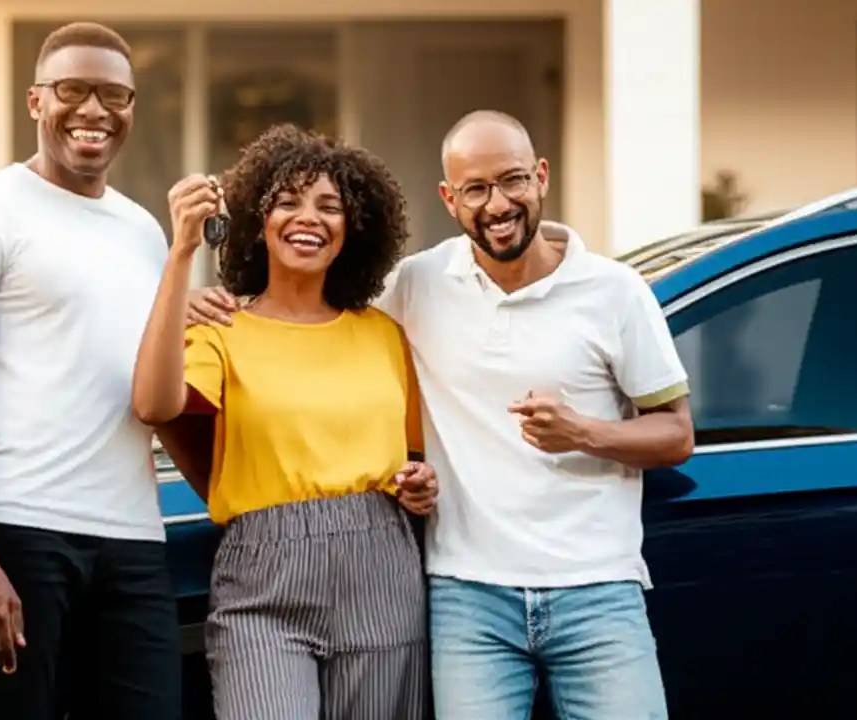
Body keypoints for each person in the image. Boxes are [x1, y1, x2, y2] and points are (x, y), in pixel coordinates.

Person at [187, 110, 694, 719]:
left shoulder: (615, 292)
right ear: (450, 198)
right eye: (476, 189)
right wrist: (198, 302)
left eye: (512, 181)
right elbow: (304, 317)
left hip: (598, 589)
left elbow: (675, 431)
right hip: (466, 595)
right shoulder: (417, 285)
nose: (498, 203)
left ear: (541, 176)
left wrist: (582, 431)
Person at [0, 22, 181, 720]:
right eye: (73, 90)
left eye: (114, 95)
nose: (94, 110)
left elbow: (149, 383)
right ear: (36, 101)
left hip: (133, 541)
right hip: (19, 534)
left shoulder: (144, 233)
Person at [132, 123, 438, 720]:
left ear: (354, 230)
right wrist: (181, 255)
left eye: (330, 206)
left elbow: (417, 460)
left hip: (382, 570)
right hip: (260, 579)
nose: (310, 218)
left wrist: (421, 487)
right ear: (256, 221)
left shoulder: (384, 336)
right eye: (288, 202)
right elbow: (153, 406)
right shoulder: (221, 327)